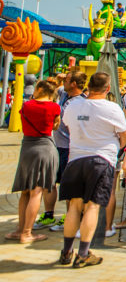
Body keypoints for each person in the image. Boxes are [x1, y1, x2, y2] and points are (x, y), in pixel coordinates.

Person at [57, 72, 126, 268]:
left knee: (74, 205)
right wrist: (117, 147)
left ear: (88, 86)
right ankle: (83, 253)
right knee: (92, 207)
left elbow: (66, 125)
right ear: (108, 89)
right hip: (101, 159)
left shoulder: (72, 106)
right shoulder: (112, 108)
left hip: (75, 159)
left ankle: (66, 252)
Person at [7, 79, 60, 244]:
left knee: (25, 191)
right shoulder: (54, 107)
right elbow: (55, 126)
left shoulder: (26, 105)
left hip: (27, 147)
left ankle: (19, 229)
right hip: (45, 147)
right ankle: (27, 233)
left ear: (39, 89)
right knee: (37, 191)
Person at [39, 71, 87, 233]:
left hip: (70, 148)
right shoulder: (63, 94)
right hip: (56, 146)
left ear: (74, 83)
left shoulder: (81, 102)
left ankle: (70, 216)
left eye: (67, 80)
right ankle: (48, 214)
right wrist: (60, 77)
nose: (64, 82)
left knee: (69, 185)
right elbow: (51, 86)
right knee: (50, 182)